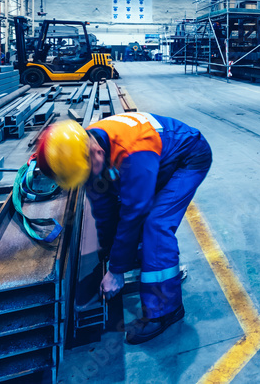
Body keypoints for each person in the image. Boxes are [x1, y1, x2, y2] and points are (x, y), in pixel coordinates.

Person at [35, 113, 212, 344]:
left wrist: (117, 271)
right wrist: (110, 254)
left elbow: (135, 212)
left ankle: (166, 311)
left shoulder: (133, 154)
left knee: (155, 225)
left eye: (88, 172)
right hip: (159, 157)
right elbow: (103, 207)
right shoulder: (83, 147)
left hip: (189, 158)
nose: (88, 178)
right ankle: (144, 259)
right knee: (124, 203)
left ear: (97, 152)